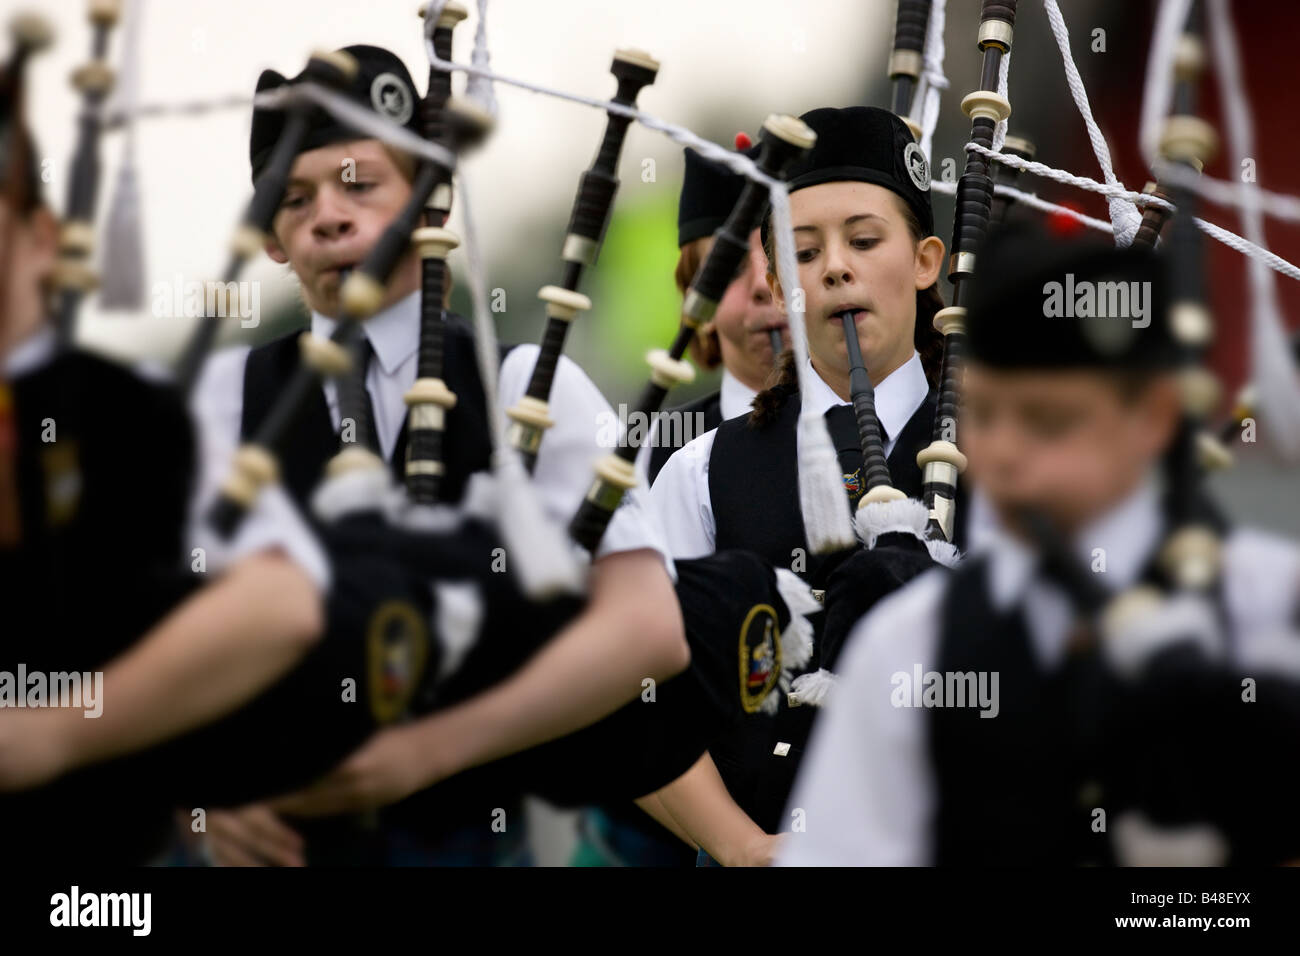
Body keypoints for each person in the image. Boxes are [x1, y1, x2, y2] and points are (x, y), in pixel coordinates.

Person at [192, 45, 686, 866]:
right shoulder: (222, 399)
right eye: (295, 197)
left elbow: (648, 631)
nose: (328, 216)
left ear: (430, 200)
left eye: (359, 183)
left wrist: (433, 749)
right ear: (273, 240)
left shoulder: (524, 384)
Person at [779, 222, 1300, 866]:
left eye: (1049, 420)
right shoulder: (910, 644)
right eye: (986, 415)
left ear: (1156, 416)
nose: (1003, 455)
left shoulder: (1272, 606)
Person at [648, 105, 948, 849]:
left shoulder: (1014, 453)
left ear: (926, 261)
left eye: (865, 239)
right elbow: (634, 694)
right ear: (781, 285)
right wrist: (743, 848)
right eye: (804, 253)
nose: (836, 267)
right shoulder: (701, 471)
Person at [643, 138, 785, 486]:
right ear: (699, 309)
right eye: (730, 267)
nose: (763, 285)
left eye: (785, 257)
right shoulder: (658, 450)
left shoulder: (879, 421)